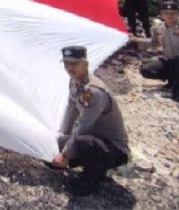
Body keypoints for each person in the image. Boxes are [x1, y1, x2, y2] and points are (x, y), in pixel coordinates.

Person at [52, 46, 129, 196]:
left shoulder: (93, 91)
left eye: (74, 63)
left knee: (84, 142)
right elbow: (71, 109)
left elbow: (83, 126)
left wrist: (65, 155)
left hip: (113, 148)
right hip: (94, 139)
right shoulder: (75, 82)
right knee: (55, 147)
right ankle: (90, 166)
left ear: (85, 64)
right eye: (66, 63)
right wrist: (62, 136)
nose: (69, 67)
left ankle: (91, 181)